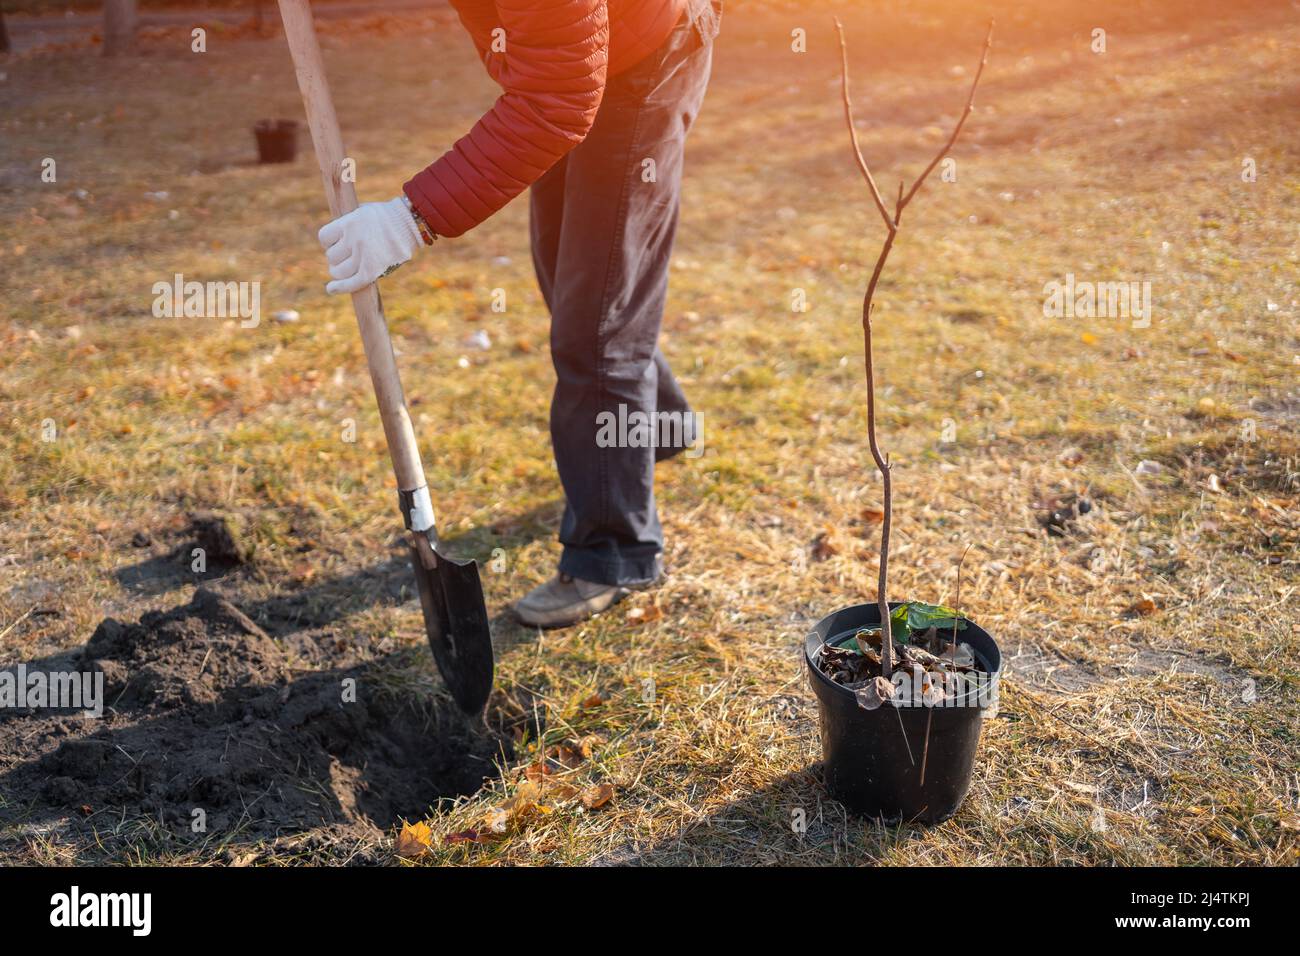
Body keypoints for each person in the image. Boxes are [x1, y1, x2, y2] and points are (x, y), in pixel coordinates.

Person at [316, 0, 720, 628]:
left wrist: (412, 219)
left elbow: (555, 101)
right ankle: (661, 429)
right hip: (582, 57)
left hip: (644, 57)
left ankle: (612, 552)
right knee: (570, 275)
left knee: (596, 322)